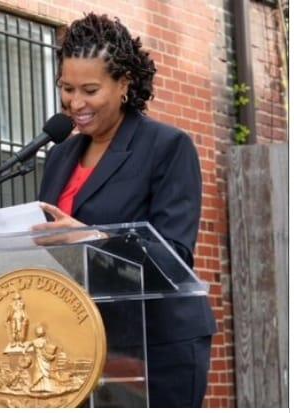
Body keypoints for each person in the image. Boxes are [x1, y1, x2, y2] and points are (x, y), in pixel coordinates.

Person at [31, 13, 216, 407]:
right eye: (66, 88)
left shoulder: (167, 147)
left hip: (156, 346)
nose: (75, 103)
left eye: (90, 90)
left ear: (124, 85)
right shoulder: (60, 156)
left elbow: (175, 258)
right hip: (83, 342)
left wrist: (93, 239)